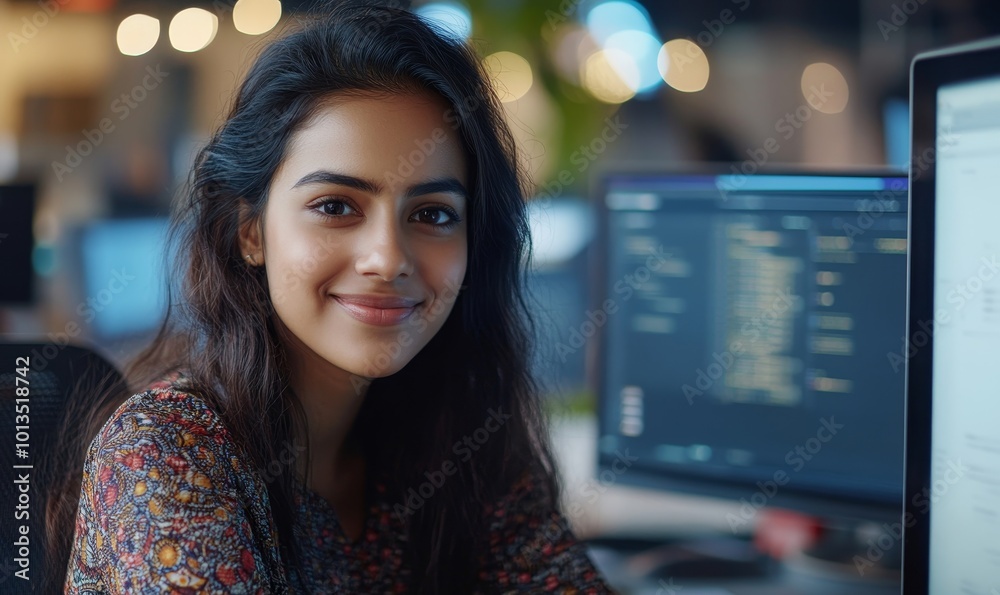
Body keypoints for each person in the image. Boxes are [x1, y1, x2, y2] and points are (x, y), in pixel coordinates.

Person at [52, 1, 618, 593]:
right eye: (336, 206)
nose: (388, 258)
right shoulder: (166, 452)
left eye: (432, 214)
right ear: (251, 231)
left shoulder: (459, 435)